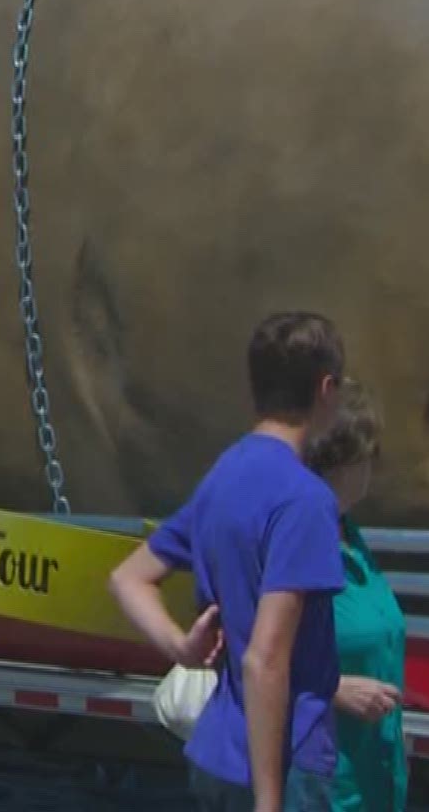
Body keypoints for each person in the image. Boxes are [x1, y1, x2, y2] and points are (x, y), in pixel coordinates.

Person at [108, 311, 354, 812]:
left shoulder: (223, 476)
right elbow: (265, 659)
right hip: (284, 763)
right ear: (326, 389)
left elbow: (128, 578)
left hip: (217, 751)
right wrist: (269, 800)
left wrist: (181, 647)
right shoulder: (305, 500)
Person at [302, 379, 409, 812]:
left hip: (373, 784)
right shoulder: (297, 537)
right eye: (371, 453)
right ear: (342, 461)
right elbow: (248, 653)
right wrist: (333, 689)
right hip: (321, 789)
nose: (374, 467)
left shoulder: (349, 536)